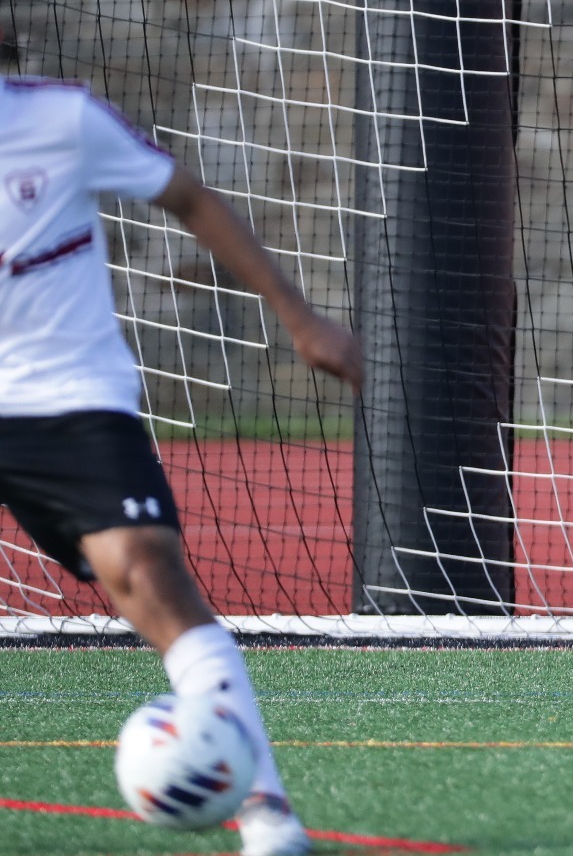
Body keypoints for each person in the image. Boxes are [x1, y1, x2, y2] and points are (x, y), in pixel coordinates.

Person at [0, 65, 364, 855]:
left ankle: (265, 810)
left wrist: (299, 318)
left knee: (151, 576)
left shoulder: (62, 121)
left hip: (69, 399)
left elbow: (190, 198)